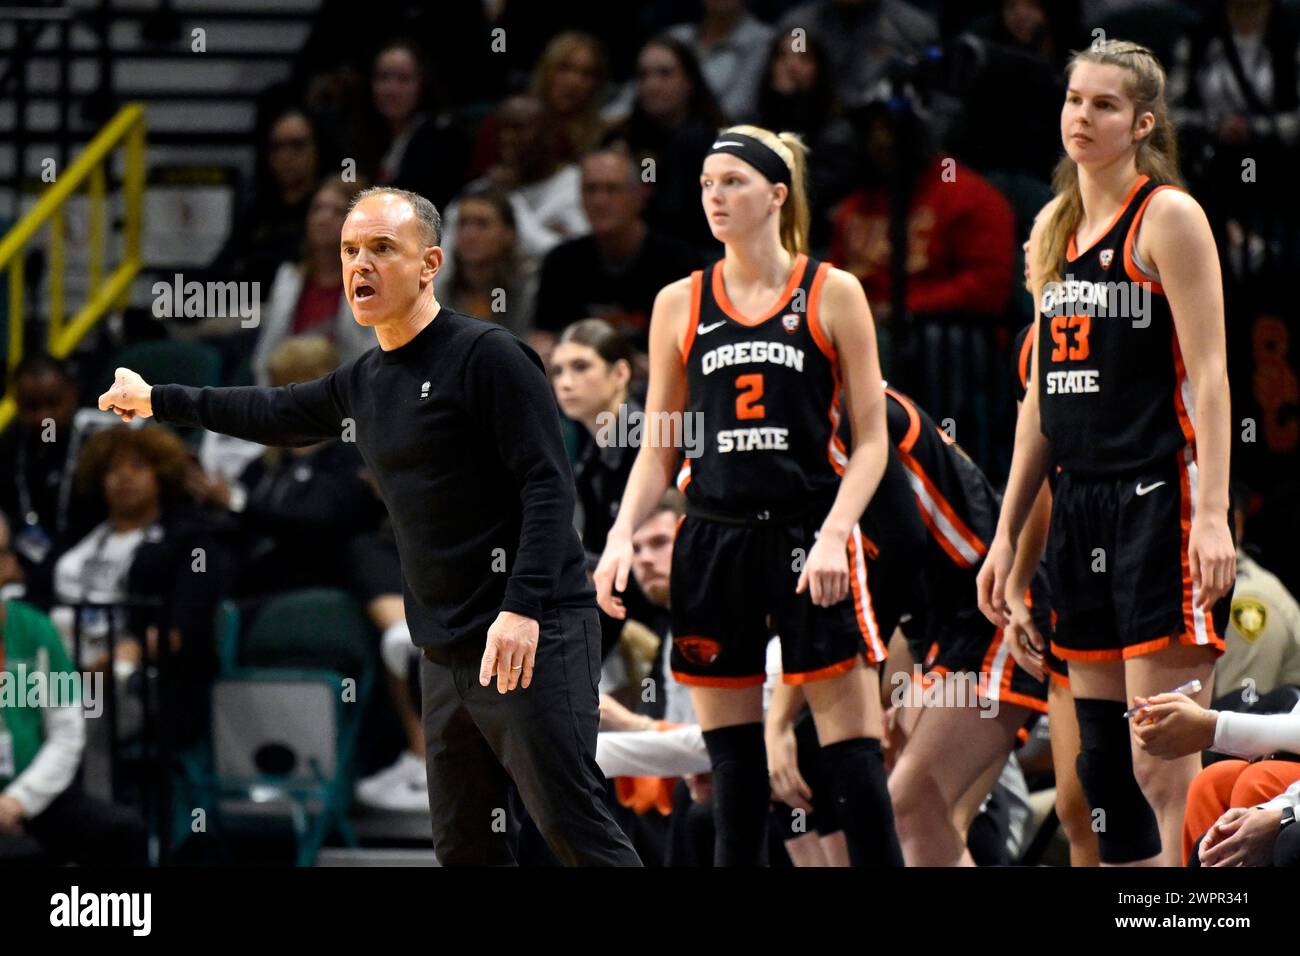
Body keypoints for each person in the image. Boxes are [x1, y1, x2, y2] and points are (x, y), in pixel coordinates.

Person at [97, 186, 640, 867]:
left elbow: (547, 487)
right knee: (467, 848)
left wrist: (523, 608)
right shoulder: (364, 380)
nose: (361, 263)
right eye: (352, 249)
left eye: (383, 248)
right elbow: (270, 411)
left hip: (533, 630)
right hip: (445, 648)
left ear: (429, 263)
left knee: (574, 831)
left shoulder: (488, 357)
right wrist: (155, 398)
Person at [595, 125, 901, 866]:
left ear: (776, 194)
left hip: (808, 534)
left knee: (854, 770)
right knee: (729, 778)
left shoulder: (835, 291)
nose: (714, 196)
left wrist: (835, 533)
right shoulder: (680, 301)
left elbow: (872, 440)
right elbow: (661, 446)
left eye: (732, 181)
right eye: (705, 184)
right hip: (713, 535)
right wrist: (615, 538)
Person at [978, 40, 1237, 867]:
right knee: (1098, 768)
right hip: (1080, 501)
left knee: (1160, 764)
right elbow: (1039, 406)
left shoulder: (1168, 216)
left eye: (1103, 105)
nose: (1081, 117)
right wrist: (1007, 544)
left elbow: (1212, 377)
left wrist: (1215, 517)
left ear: (1143, 123)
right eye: (1073, 100)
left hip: (1162, 497)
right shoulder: (1054, 227)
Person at [0, 521, 148, 866]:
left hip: (29, 794)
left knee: (121, 831)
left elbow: (68, 731)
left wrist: (20, 799)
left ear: (8, 564)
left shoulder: (39, 630)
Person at [533, 146, 700, 351]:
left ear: (639, 195)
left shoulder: (680, 262)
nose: (600, 200)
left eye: (612, 189)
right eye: (590, 189)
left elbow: (695, 345)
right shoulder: (560, 261)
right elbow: (543, 337)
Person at [252, 178, 373, 384]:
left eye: (337, 211)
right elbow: (265, 359)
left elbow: (374, 362)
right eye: (317, 208)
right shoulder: (287, 279)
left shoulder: (372, 284)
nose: (323, 218)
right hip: (287, 398)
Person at [433, 186, 538, 338]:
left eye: (482, 224)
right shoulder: (443, 290)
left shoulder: (525, 287)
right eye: (463, 223)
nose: (469, 234)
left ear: (508, 233)